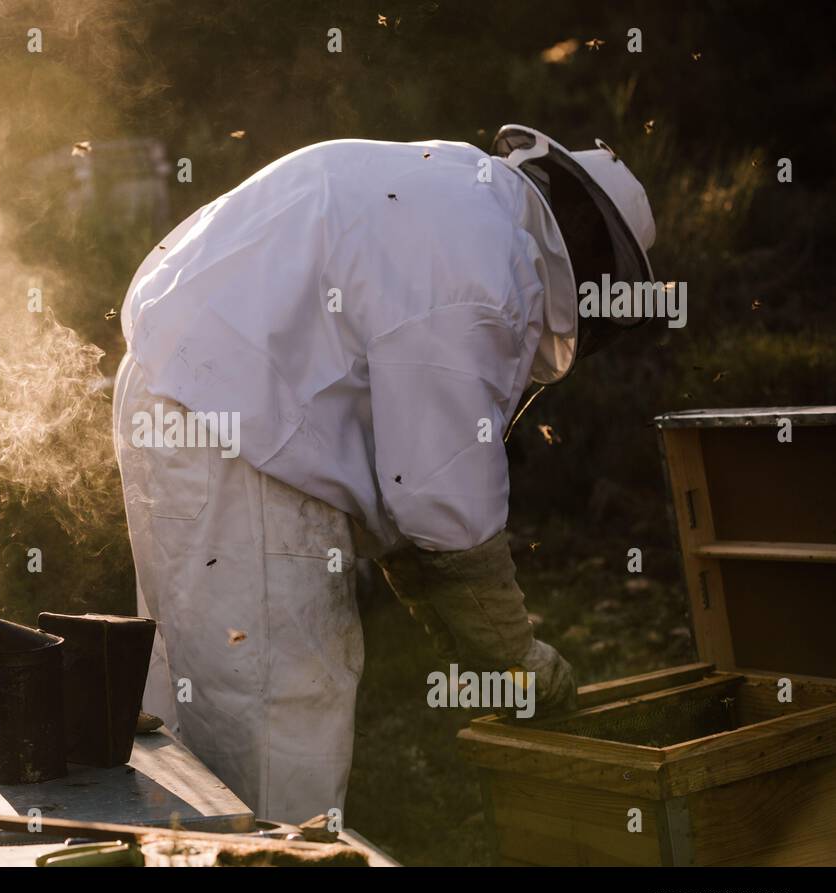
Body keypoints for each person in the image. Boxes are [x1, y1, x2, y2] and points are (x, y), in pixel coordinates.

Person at [113, 125, 657, 823]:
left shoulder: (454, 193)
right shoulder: (482, 269)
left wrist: (450, 614)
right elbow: (444, 502)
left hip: (177, 398)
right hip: (238, 438)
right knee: (281, 705)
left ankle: (178, 845)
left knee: (186, 680)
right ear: (591, 252)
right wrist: (511, 652)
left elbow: (400, 459)